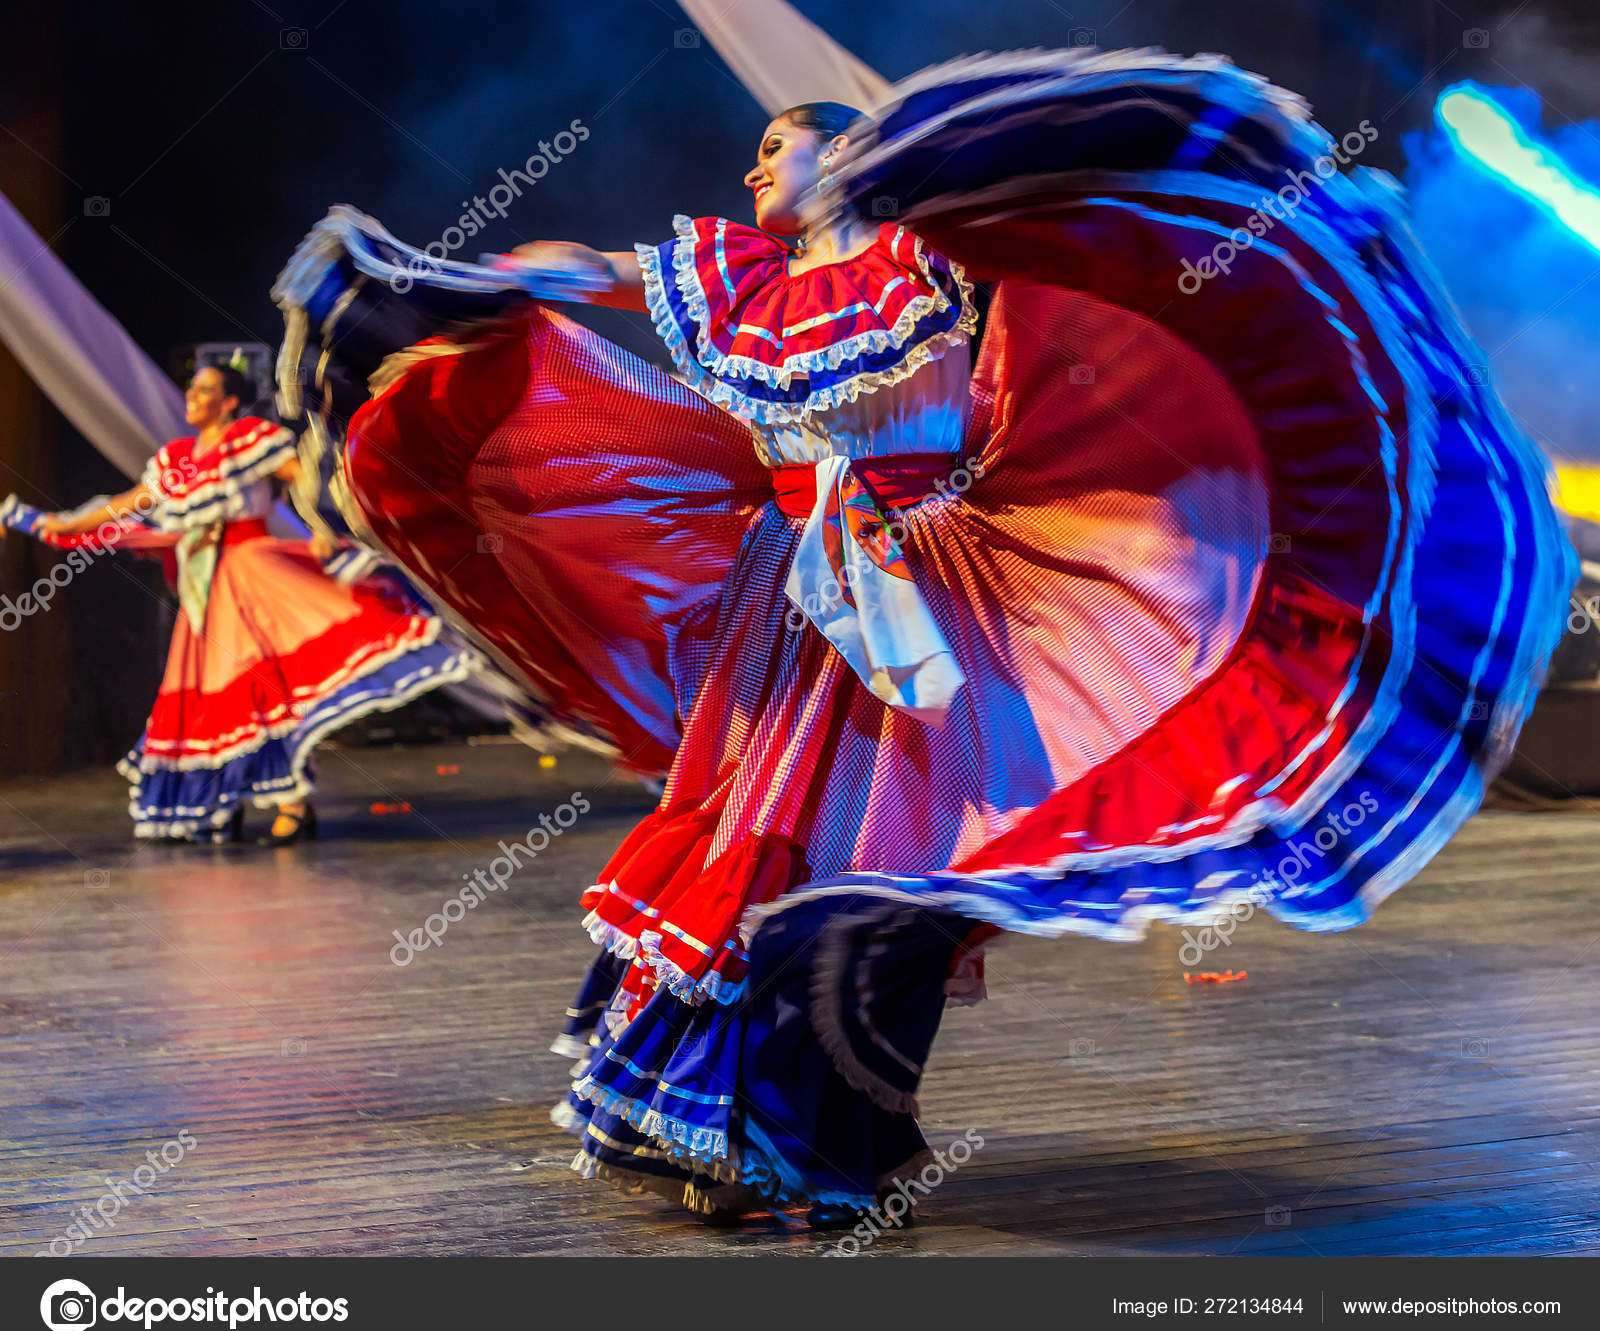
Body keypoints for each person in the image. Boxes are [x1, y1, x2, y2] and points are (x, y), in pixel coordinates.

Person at [274, 50, 1575, 1224]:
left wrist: (1028, 171)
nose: (750, 170)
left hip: (930, 585)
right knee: (760, 851)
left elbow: (1065, 253)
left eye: (772, 148)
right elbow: (578, 270)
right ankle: (735, 1123)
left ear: (838, 157)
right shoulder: (744, 279)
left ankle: (815, 1130)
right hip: (792, 601)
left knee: (882, 869)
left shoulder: (923, 261)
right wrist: (434, 283)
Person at [1, 362, 473, 842]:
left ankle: (292, 803)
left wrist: (325, 529)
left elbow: (304, 480)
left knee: (261, 689)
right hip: (205, 592)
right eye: (192, 387)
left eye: (205, 389)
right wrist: (54, 523)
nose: (192, 394)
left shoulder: (248, 438)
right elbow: (125, 504)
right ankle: (221, 803)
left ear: (228, 402)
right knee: (218, 700)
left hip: (252, 575)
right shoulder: (176, 459)